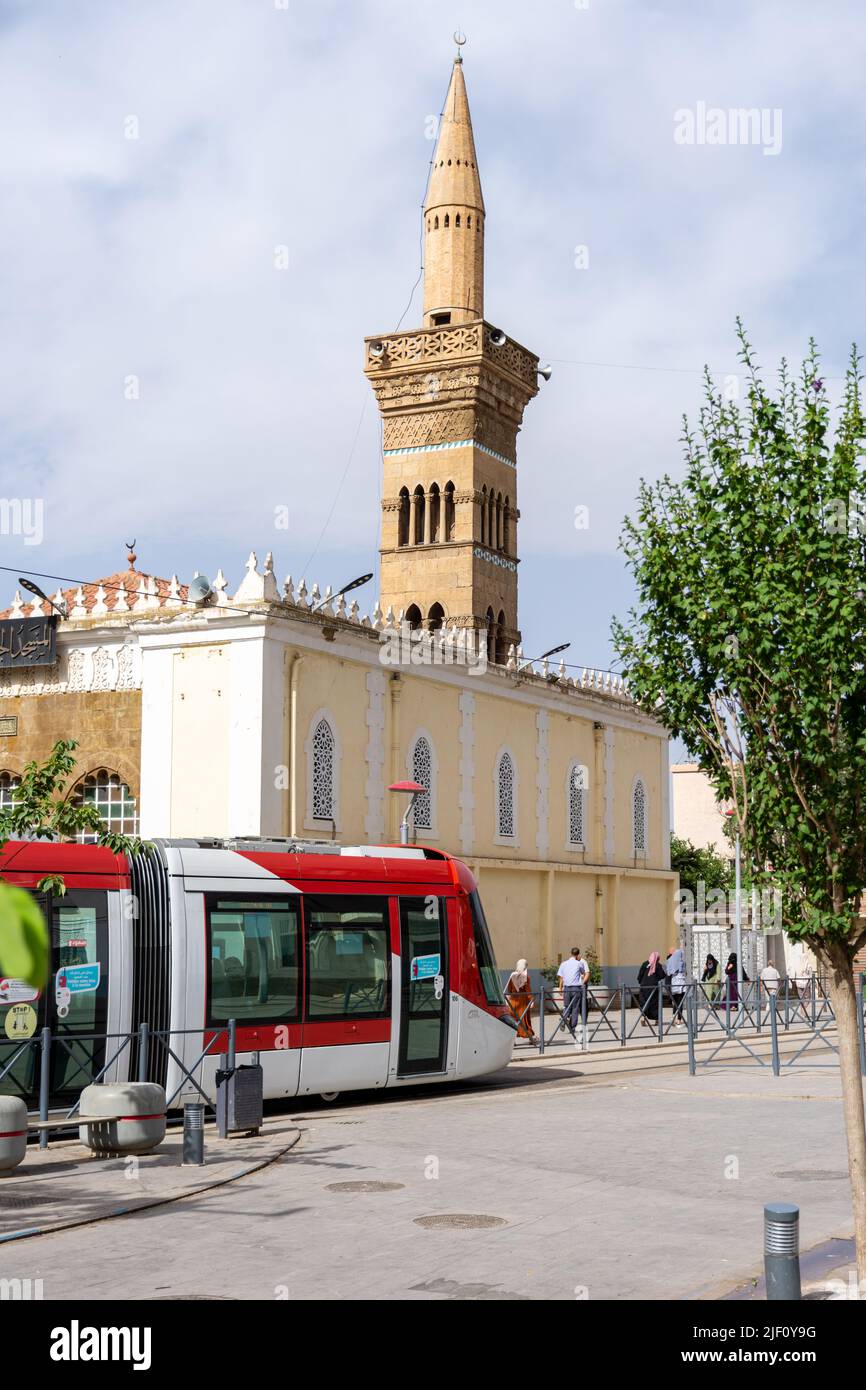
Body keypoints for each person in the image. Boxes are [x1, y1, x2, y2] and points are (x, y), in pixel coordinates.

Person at [556, 947, 588, 1034]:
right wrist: (582, 982)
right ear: (578, 955)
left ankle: (563, 1019)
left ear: (571, 953)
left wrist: (560, 988)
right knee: (575, 1008)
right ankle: (572, 1028)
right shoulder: (579, 963)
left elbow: (561, 977)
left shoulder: (563, 963)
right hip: (576, 989)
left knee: (566, 1006)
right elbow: (584, 973)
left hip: (566, 988)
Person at [505, 958, 537, 1042]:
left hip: (513, 1001)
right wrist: (532, 1001)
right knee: (524, 1020)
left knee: (513, 1020)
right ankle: (530, 1038)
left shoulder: (512, 976)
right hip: (522, 1002)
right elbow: (528, 990)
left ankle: (513, 1040)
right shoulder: (526, 977)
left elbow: (509, 989)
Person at [637, 951, 667, 1026]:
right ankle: (657, 1020)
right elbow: (662, 975)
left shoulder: (645, 964)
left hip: (644, 987)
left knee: (644, 1002)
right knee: (654, 1004)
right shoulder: (657, 965)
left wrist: (641, 982)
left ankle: (643, 1018)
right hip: (653, 988)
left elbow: (640, 976)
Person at [666, 946, 688, 1027]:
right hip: (680, 984)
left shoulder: (670, 961)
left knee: (675, 1002)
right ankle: (678, 1019)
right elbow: (685, 973)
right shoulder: (681, 963)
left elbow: (668, 974)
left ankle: (673, 1018)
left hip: (673, 984)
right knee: (680, 1002)